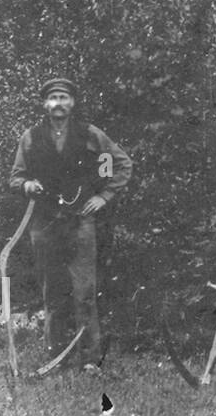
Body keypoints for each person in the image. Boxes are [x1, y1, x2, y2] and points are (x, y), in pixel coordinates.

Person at [9, 77, 133, 371]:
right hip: (44, 225)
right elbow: (15, 177)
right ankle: (56, 357)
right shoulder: (31, 137)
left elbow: (121, 163)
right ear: (45, 104)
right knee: (52, 293)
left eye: (64, 98)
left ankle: (90, 360)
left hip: (80, 224)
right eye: (53, 98)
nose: (58, 104)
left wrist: (104, 196)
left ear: (73, 103)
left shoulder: (90, 135)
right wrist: (27, 186)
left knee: (84, 292)